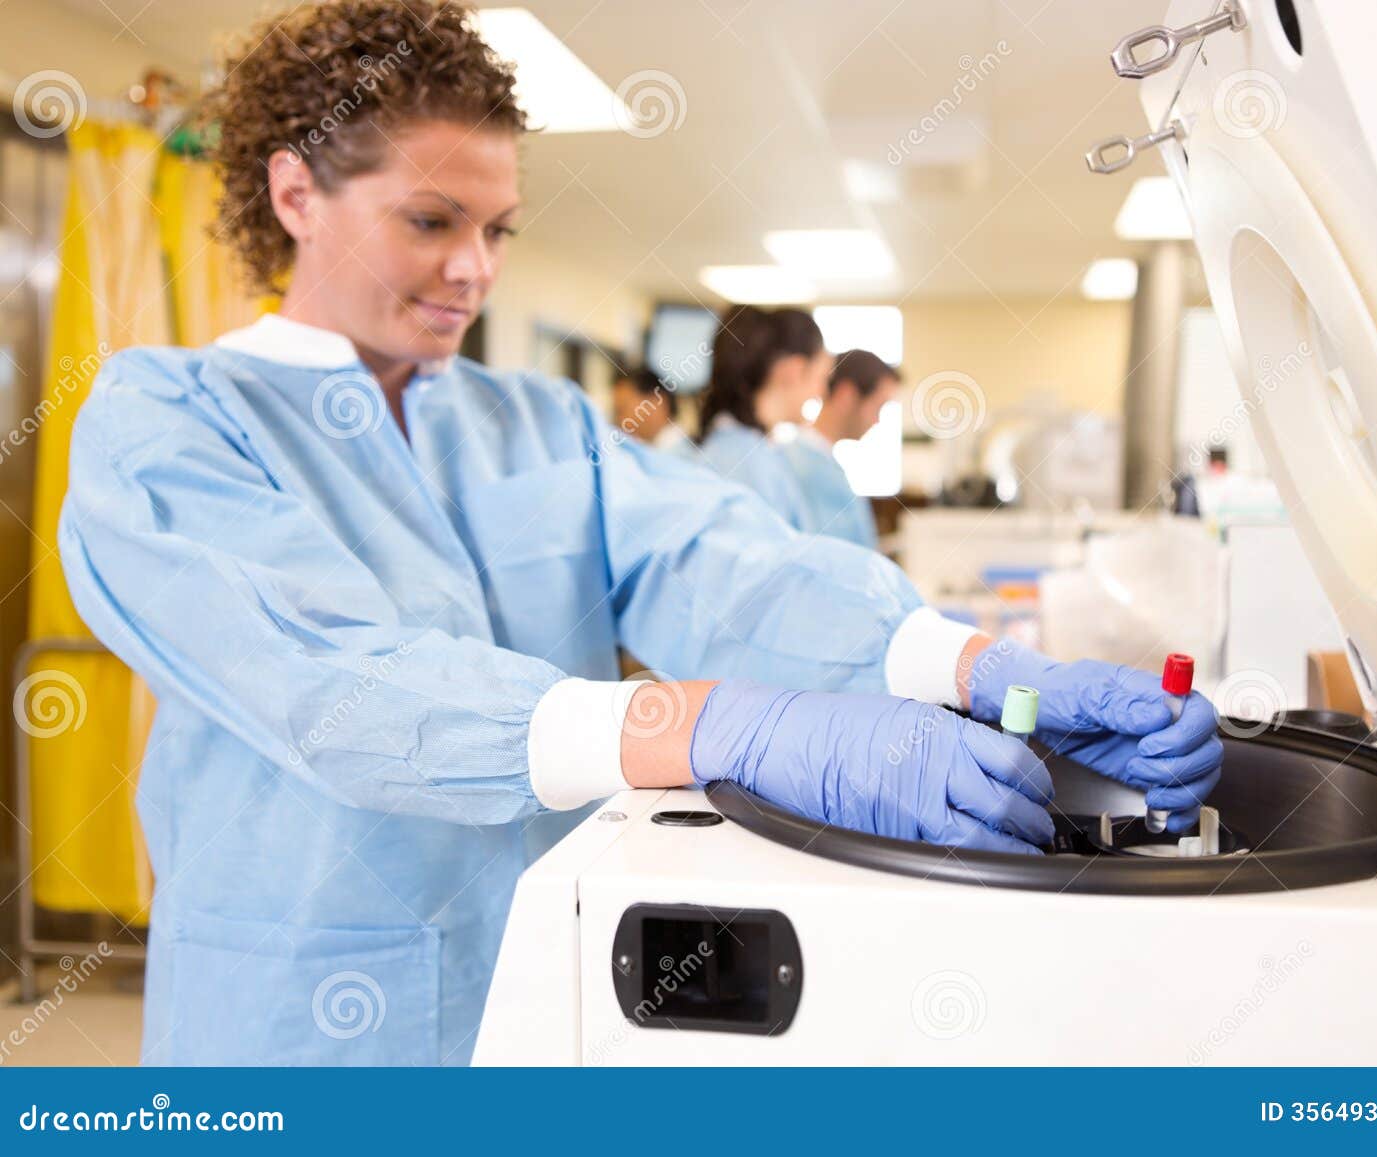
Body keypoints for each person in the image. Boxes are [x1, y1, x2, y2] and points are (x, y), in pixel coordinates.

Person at [56, 0, 1223, 1067]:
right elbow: (337, 681)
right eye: (430, 220)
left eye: (500, 228)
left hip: (548, 983)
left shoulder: (533, 418)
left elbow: (724, 563)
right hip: (302, 1023)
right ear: (296, 194)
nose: (475, 269)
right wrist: (717, 721)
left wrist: (968, 662)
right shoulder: (165, 422)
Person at [682, 305, 829, 530]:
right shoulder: (747, 462)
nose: (822, 392)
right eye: (821, 377)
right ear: (794, 370)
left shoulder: (750, 451)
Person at [784, 348, 899, 548]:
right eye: (878, 407)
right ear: (846, 395)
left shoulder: (822, 463)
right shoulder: (806, 469)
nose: (877, 420)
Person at [610, 365, 688, 453]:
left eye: (622, 410)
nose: (619, 422)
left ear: (656, 402)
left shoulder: (681, 456)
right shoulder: (654, 450)